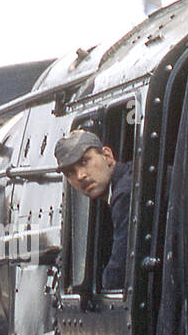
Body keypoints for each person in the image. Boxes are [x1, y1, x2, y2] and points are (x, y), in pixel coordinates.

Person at [54, 124, 133, 290]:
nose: (80, 175)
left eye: (85, 161)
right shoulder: (120, 186)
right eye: (70, 173)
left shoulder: (126, 193)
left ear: (107, 156)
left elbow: (121, 271)